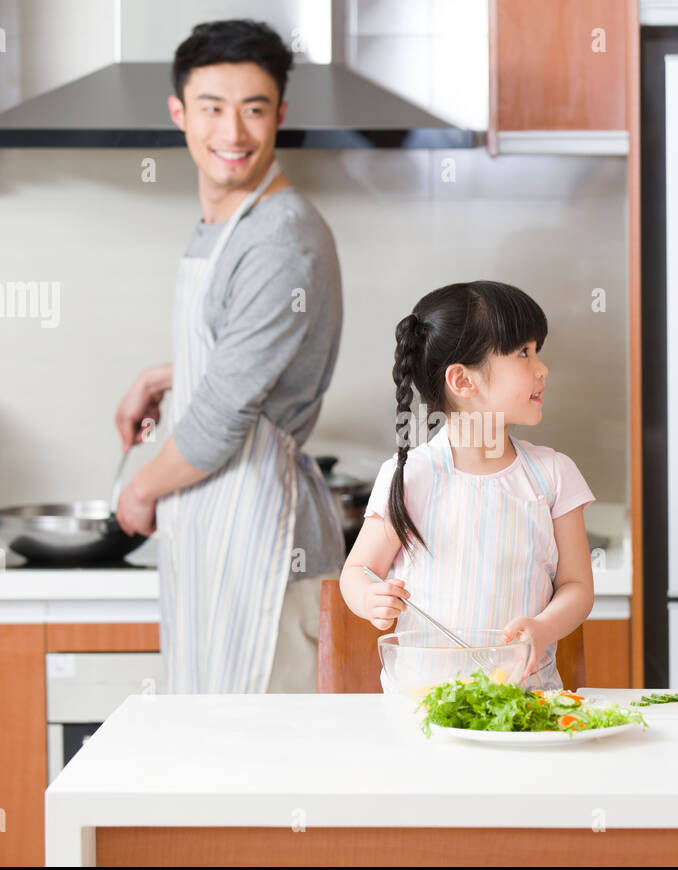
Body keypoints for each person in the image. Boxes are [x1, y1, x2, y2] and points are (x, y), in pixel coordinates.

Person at [114, 20, 344, 694]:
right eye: (213, 108)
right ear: (180, 113)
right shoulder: (225, 223)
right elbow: (242, 355)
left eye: (254, 108)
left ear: (280, 114)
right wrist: (167, 376)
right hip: (217, 534)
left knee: (264, 774)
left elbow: (222, 416)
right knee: (214, 761)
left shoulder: (279, 236)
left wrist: (140, 489)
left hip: (265, 547)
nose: (233, 133)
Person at [340, 281, 595, 691]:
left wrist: (543, 628)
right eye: (523, 353)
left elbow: (577, 586)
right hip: (421, 706)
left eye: (537, 351)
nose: (541, 368)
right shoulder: (410, 476)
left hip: (526, 703)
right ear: (462, 381)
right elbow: (357, 571)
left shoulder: (554, 474)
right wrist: (371, 597)